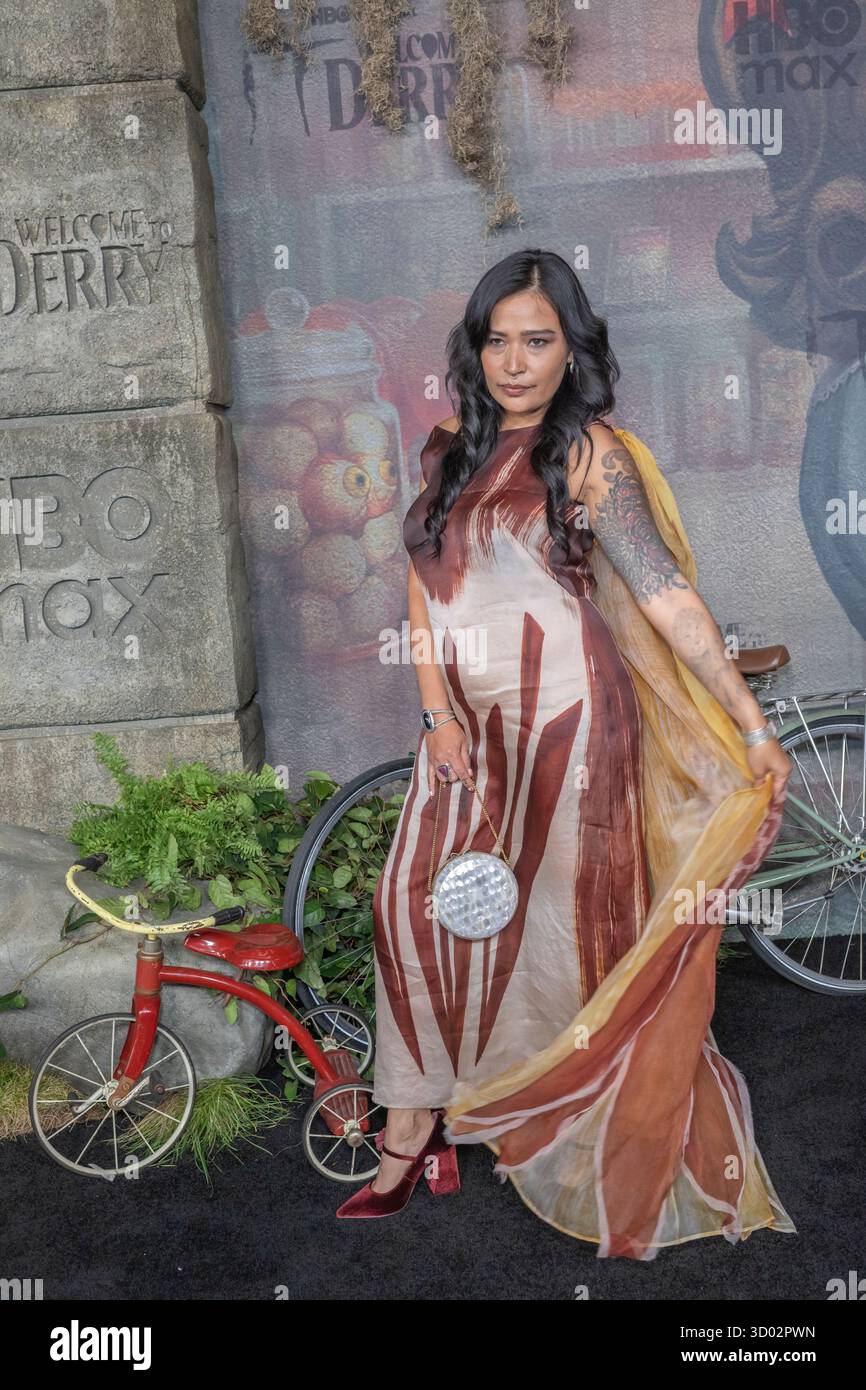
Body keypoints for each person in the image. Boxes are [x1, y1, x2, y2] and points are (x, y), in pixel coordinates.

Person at [336, 248, 798, 1260]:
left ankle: (543, 1115)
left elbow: (666, 597)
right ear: (475, 349)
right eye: (497, 340)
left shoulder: (590, 455)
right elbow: (421, 584)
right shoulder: (449, 447)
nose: (514, 362)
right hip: (468, 725)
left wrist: (751, 726)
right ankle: (412, 1119)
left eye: (537, 340)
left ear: (571, 350)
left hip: (571, 722)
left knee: (558, 926)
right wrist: (435, 716)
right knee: (410, 903)